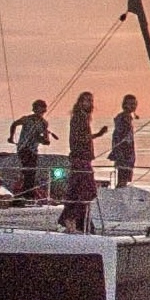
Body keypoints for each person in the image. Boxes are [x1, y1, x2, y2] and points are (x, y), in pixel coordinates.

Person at [60, 91, 97, 231]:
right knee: (89, 190)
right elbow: (78, 138)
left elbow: (83, 137)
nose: (90, 103)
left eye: (91, 100)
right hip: (80, 158)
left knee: (76, 190)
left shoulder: (82, 117)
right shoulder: (79, 117)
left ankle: (73, 221)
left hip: (82, 157)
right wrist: (94, 136)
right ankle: (71, 218)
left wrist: (97, 135)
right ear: (80, 102)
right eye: (86, 100)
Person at [9, 98, 50, 200]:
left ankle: (27, 194)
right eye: (38, 109)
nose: (40, 112)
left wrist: (42, 137)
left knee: (31, 173)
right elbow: (14, 124)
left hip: (33, 150)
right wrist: (11, 137)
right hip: (23, 148)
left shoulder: (44, 123)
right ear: (34, 109)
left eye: (42, 109)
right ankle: (26, 195)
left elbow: (46, 142)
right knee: (28, 172)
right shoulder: (26, 119)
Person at [110, 93, 139, 187]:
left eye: (134, 104)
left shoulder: (127, 118)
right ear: (124, 105)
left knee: (124, 180)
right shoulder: (123, 118)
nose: (133, 106)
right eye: (130, 104)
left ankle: (120, 194)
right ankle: (119, 196)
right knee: (123, 180)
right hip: (124, 154)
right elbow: (118, 137)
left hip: (127, 154)